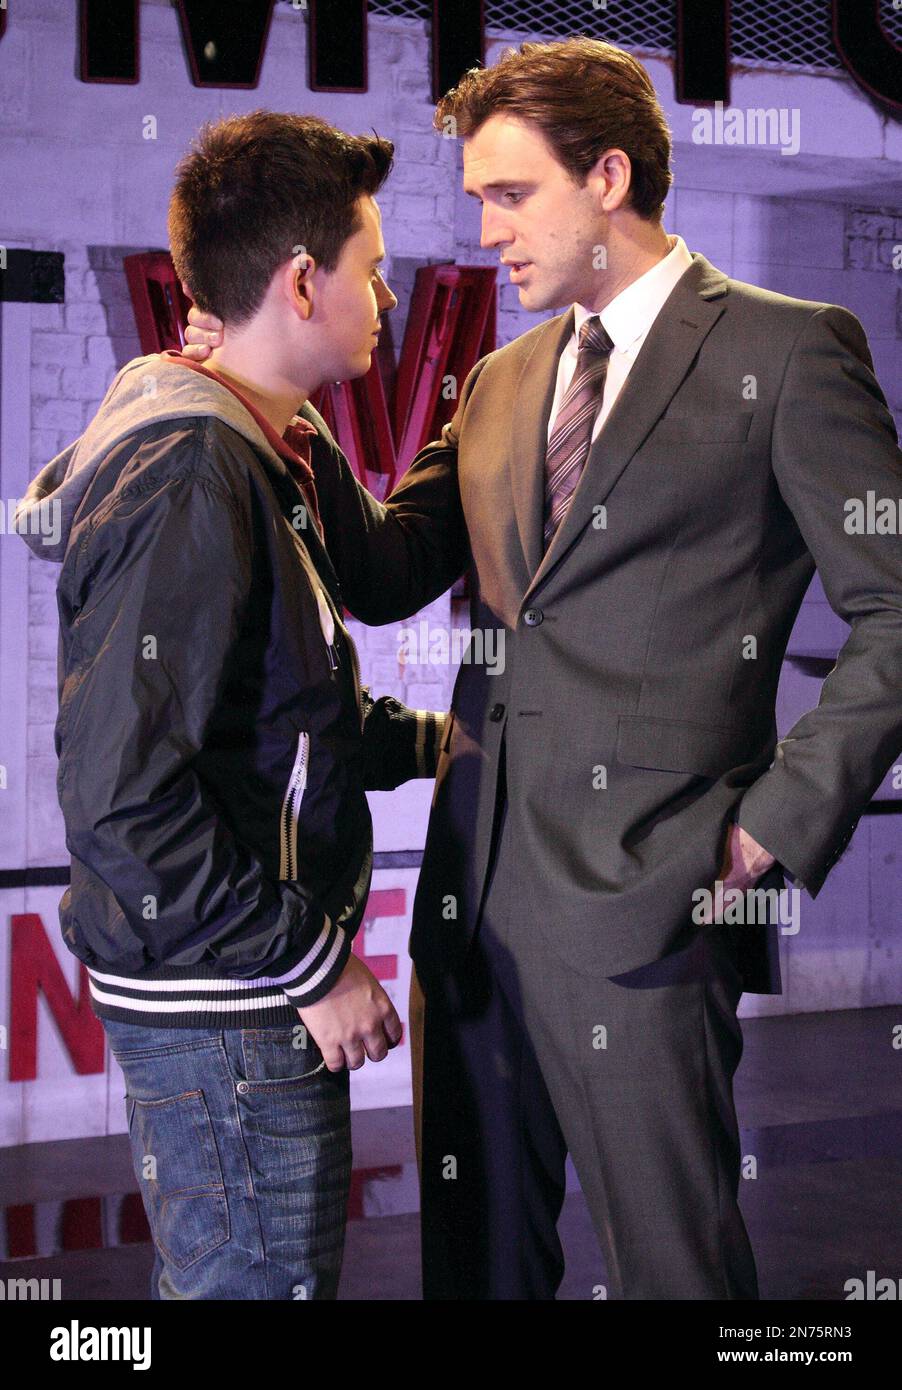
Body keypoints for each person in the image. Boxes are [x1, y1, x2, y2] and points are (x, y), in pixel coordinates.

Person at [189, 38, 902, 1301]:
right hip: (471, 905)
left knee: (679, 1275)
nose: (483, 229)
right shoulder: (508, 377)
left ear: (609, 176)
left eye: (509, 194)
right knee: (474, 1275)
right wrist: (267, 387)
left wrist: (761, 836)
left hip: (653, 910)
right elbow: (384, 565)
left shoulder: (790, 354)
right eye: (475, 197)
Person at [16, 110, 447, 1300]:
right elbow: (122, 802)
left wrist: (433, 742)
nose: (390, 299)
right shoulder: (192, 470)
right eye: (371, 271)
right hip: (234, 1012)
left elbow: (279, 714)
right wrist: (313, 964)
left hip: (232, 1005)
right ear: (303, 283)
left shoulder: (259, 444)